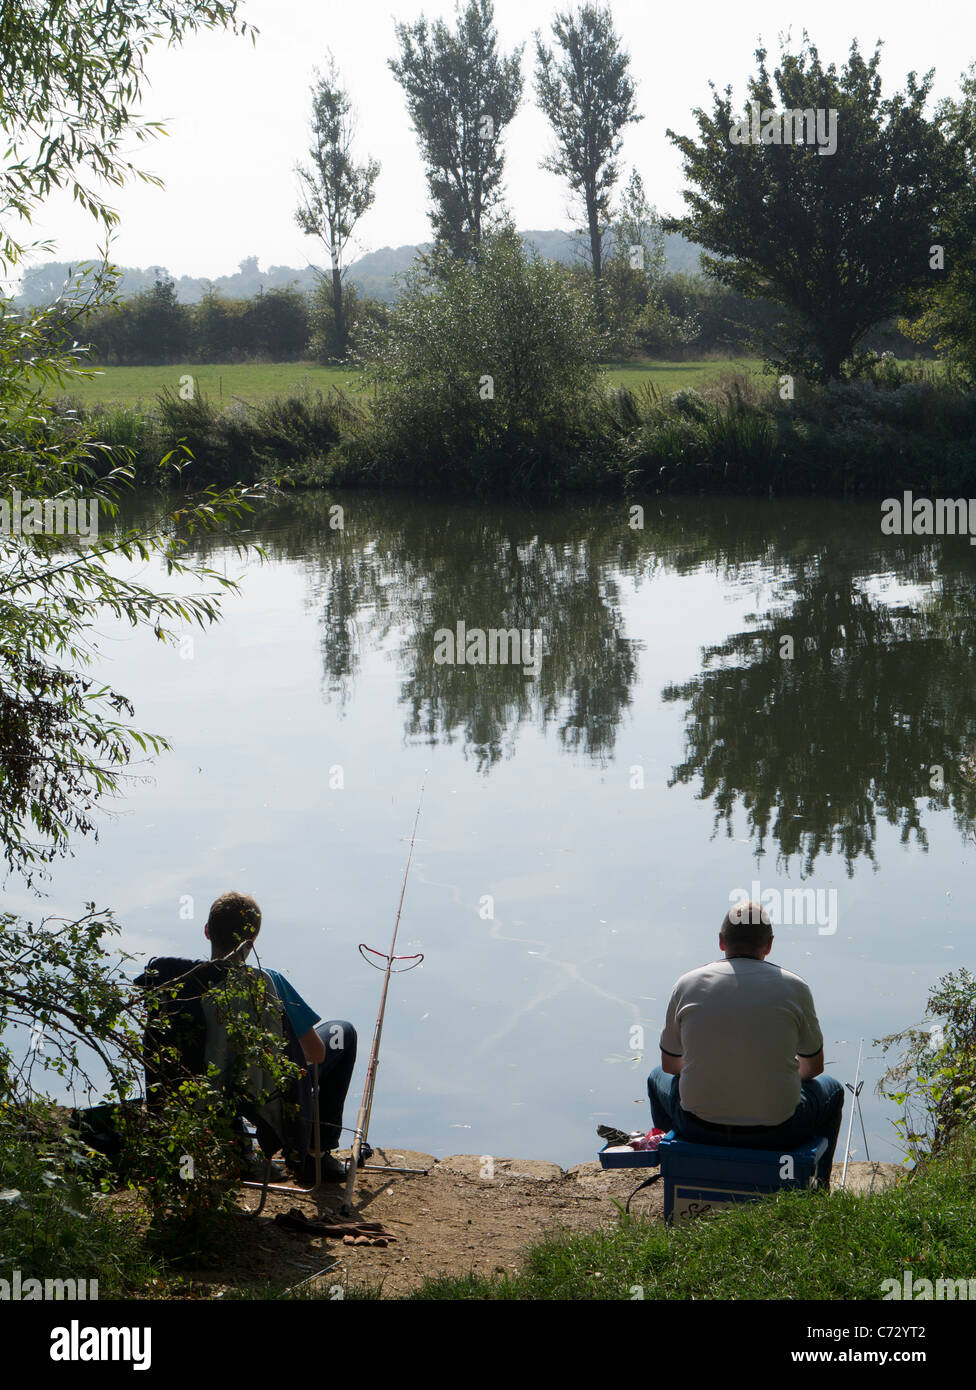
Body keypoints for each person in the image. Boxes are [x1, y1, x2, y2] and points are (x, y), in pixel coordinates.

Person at [138, 890, 357, 1182]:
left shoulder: (173, 978)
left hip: (198, 1088)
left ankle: (242, 1155)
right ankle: (316, 1156)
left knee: (222, 1062)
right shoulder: (269, 982)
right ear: (251, 943)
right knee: (343, 1031)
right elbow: (315, 1054)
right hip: (261, 1094)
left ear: (206, 932)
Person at [646, 900, 844, 1188]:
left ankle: (676, 1167)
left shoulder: (687, 984)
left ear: (721, 941)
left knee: (656, 1078)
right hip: (778, 1131)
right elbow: (813, 1068)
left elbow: (669, 1065)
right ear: (769, 945)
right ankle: (819, 1185)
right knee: (833, 1090)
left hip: (698, 1126)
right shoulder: (795, 987)